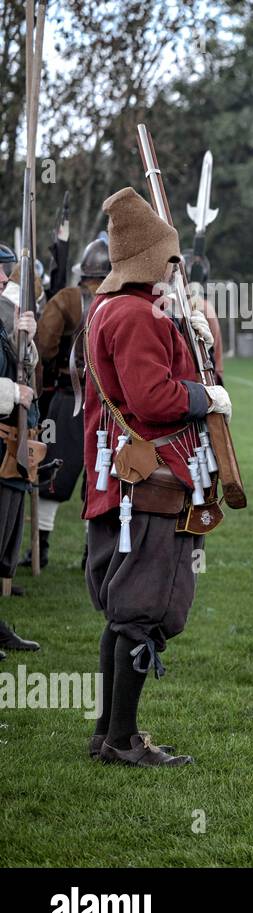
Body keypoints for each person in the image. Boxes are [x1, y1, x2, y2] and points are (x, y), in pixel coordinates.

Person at [82, 187, 230, 767]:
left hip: (125, 480)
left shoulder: (112, 309)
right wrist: (205, 394)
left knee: (126, 611)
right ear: (154, 259)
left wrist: (188, 331)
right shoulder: (138, 315)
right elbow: (155, 397)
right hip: (151, 481)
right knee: (143, 610)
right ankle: (122, 739)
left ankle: (108, 734)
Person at [25, 238, 110, 570]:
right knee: (99, 477)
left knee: (52, 475)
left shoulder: (66, 299)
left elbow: (42, 349)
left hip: (66, 401)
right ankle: (93, 554)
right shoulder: (120, 300)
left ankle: (40, 549)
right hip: (108, 406)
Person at [0, 242, 40, 653]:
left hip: (10, 443)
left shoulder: (3, 314)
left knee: (5, 542)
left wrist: (24, 336)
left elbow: (25, 365)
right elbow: (14, 382)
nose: (3, 277)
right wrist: (14, 391)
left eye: (6, 270)